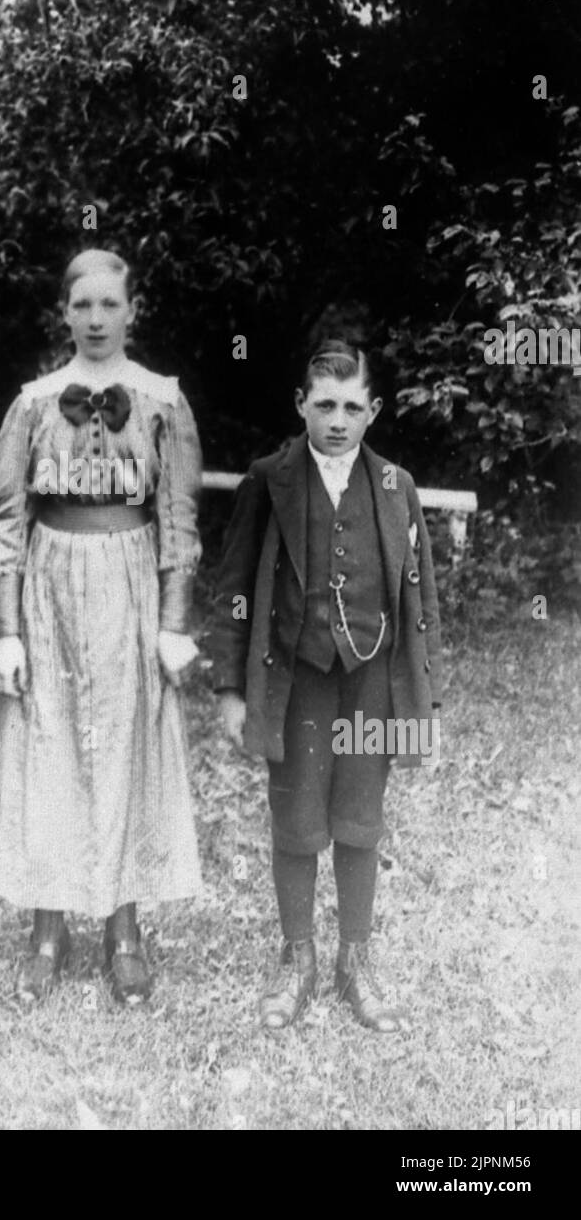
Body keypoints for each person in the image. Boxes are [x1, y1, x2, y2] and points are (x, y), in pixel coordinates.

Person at [0, 249, 203, 1005]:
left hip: (131, 581)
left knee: (126, 742)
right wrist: (6, 630)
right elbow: (8, 521)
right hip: (49, 584)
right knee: (51, 739)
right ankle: (48, 928)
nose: (98, 320)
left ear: (132, 311)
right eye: (84, 307)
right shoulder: (35, 401)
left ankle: (124, 929)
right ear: (65, 313)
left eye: (111, 305)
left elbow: (178, 520)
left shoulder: (162, 399)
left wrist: (174, 622)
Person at [211, 339, 442, 1032]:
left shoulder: (397, 487)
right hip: (299, 677)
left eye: (351, 406)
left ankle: (356, 960)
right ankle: (297, 958)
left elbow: (424, 600)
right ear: (300, 405)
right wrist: (229, 687)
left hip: (374, 682)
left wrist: (429, 700)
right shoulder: (268, 479)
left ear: (372, 410)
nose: (337, 420)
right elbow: (233, 592)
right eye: (323, 405)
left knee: (361, 817)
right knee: (297, 817)